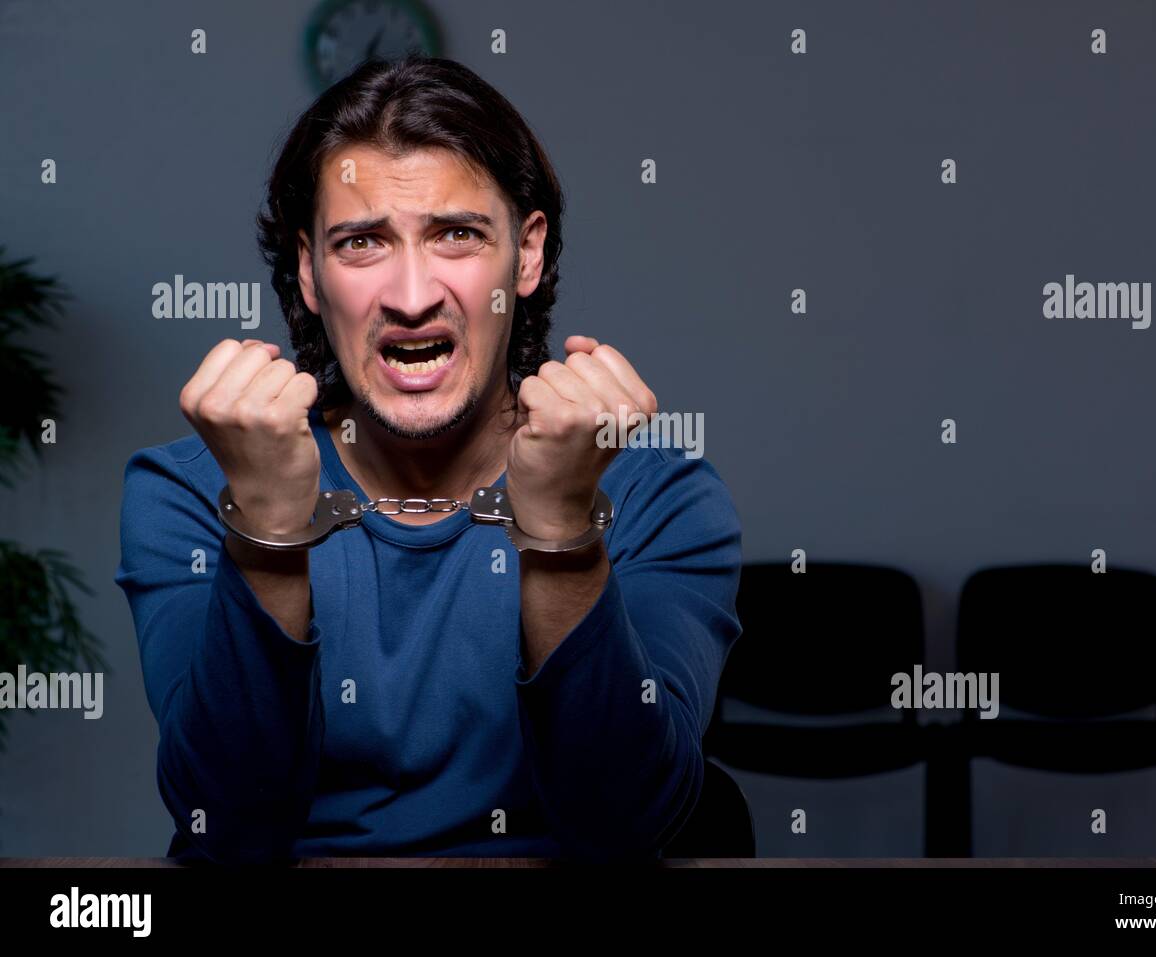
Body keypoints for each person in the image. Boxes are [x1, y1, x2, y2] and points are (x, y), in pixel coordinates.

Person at [113, 56, 743, 864]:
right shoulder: (191, 491)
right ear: (309, 271)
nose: (412, 295)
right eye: (362, 241)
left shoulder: (661, 495)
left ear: (527, 255)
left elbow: (626, 825)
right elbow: (225, 826)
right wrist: (269, 525)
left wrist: (559, 529)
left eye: (457, 234)